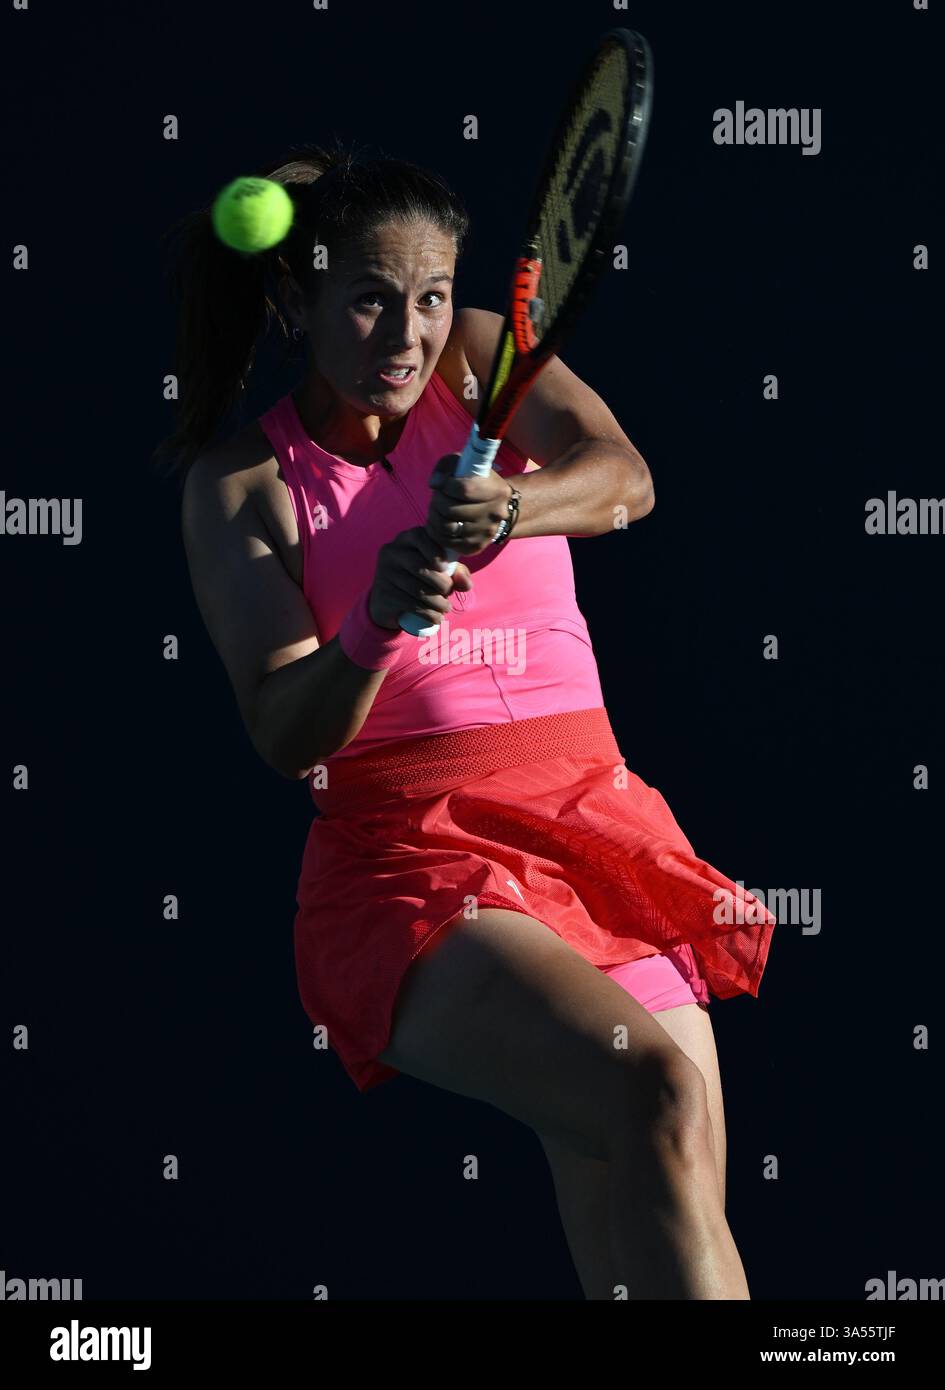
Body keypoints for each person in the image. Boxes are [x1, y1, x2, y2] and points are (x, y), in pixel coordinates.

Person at [154, 140, 777, 1300]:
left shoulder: (483, 359)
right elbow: (287, 732)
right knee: (657, 1093)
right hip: (414, 859)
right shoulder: (241, 485)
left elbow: (624, 478)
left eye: (432, 297)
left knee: (652, 1187)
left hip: (595, 819)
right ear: (298, 298)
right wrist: (375, 623)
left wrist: (508, 510)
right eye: (370, 301)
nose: (409, 336)